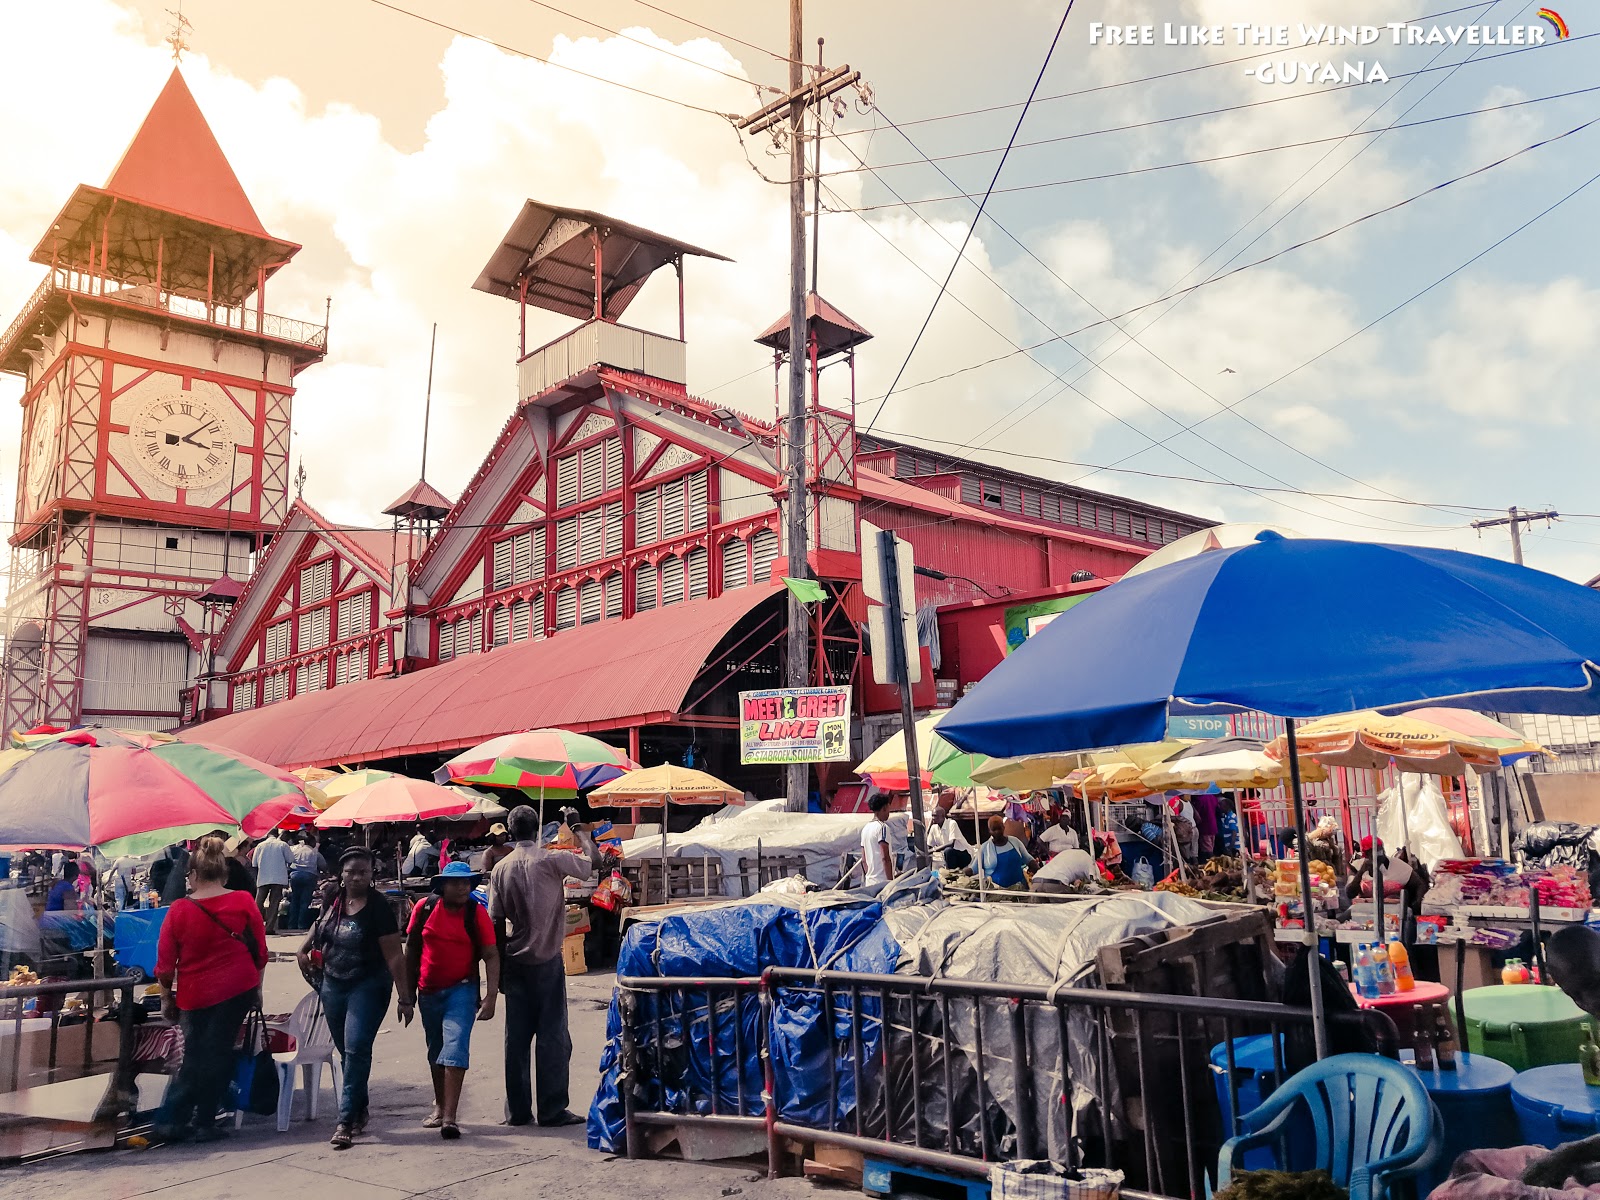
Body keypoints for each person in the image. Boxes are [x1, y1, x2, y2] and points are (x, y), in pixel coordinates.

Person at [153, 835, 268, 1142]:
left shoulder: (178, 909)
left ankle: (176, 1119)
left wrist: (166, 997)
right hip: (237, 988)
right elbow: (261, 953)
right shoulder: (243, 901)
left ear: (192, 875)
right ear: (224, 872)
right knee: (216, 1052)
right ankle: (202, 1120)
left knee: (197, 1054)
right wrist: (257, 987)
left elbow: (165, 964)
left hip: (194, 994)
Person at [301, 847, 412, 1150]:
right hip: (333, 984)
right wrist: (304, 947)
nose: (356, 877)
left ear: (372, 874)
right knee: (346, 1053)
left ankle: (345, 1121)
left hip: (369, 986)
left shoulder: (379, 908)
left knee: (357, 1047)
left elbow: (394, 956)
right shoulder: (333, 898)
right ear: (342, 874)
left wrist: (405, 997)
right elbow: (320, 923)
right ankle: (359, 1108)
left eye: (363, 871)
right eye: (351, 872)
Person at [489, 804, 591, 1128]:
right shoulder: (552, 859)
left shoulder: (500, 868)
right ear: (537, 829)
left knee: (515, 1041)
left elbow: (495, 920)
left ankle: (518, 1112)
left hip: (514, 961)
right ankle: (552, 1109)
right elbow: (591, 864)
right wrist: (578, 830)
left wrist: (499, 968)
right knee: (553, 1037)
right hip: (547, 960)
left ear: (509, 830)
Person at [407, 861, 498, 1140]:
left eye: (467, 882)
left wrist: (490, 996)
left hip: (462, 989)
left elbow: (491, 954)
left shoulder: (476, 912)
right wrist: (406, 995)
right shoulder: (424, 908)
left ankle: (450, 1118)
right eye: (456, 882)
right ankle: (440, 1106)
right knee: (436, 1051)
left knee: (455, 1047)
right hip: (428, 992)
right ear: (442, 886)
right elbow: (411, 951)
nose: (463, 887)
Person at [251, 830, 293, 934]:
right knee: (274, 903)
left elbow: (254, 863)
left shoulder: (260, 845)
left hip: (263, 877)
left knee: (258, 902)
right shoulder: (283, 845)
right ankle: (269, 928)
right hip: (278, 878)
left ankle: (254, 926)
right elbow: (291, 859)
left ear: (267, 834)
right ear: (277, 834)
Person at [978, 816, 1034, 888]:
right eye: (994, 829)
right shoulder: (985, 848)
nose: (997, 832)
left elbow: (1028, 859)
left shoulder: (1015, 841)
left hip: (1020, 890)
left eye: (999, 828)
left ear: (1004, 827)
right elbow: (974, 868)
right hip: (996, 893)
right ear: (989, 831)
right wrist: (965, 872)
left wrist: (1039, 872)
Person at [287, 832, 327, 931]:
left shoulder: (295, 849)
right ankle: (301, 925)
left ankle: (292, 924)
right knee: (305, 901)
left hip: (295, 875)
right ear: (312, 842)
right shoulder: (315, 852)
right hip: (309, 877)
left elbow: (288, 861)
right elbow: (323, 866)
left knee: (295, 899)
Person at [926, 795, 972, 870]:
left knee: (948, 851)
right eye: (933, 816)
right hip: (948, 856)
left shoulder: (952, 823)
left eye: (936, 816)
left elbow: (951, 844)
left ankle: (951, 873)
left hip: (964, 854)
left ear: (943, 816)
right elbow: (929, 845)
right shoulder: (933, 828)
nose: (933, 818)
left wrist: (934, 849)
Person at [860, 794, 895, 889]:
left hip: (869, 882)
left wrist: (869, 875)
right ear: (884, 808)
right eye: (888, 809)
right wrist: (890, 882)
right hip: (882, 882)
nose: (889, 813)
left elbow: (863, 859)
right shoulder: (882, 827)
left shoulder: (865, 829)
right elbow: (885, 857)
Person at [1031, 846, 1098, 894]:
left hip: (1035, 882)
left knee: (1037, 912)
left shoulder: (1065, 853)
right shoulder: (1088, 858)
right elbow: (1097, 885)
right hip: (1055, 884)